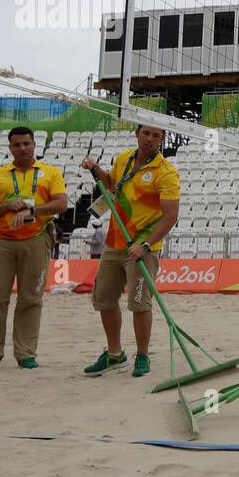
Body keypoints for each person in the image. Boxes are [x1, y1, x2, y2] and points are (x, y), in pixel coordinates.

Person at [80, 124, 180, 378]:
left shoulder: (166, 172)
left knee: (139, 303)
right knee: (104, 298)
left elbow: (170, 217)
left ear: (162, 139)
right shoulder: (124, 158)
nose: (149, 139)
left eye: (155, 135)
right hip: (114, 242)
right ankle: (115, 354)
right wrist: (95, 168)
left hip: (143, 247)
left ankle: (143, 355)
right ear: (137, 134)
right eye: (145, 133)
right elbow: (111, 185)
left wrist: (145, 244)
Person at [0, 126, 68, 371]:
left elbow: (61, 204)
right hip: (1, 240)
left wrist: (33, 210)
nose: (22, 148)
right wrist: (7, 205)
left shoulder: (50, 173)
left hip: (36, 239)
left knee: (31, 298)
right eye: (17, 145)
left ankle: (25, 353)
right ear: (10, 147)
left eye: (26, 143)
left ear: (34, 144)